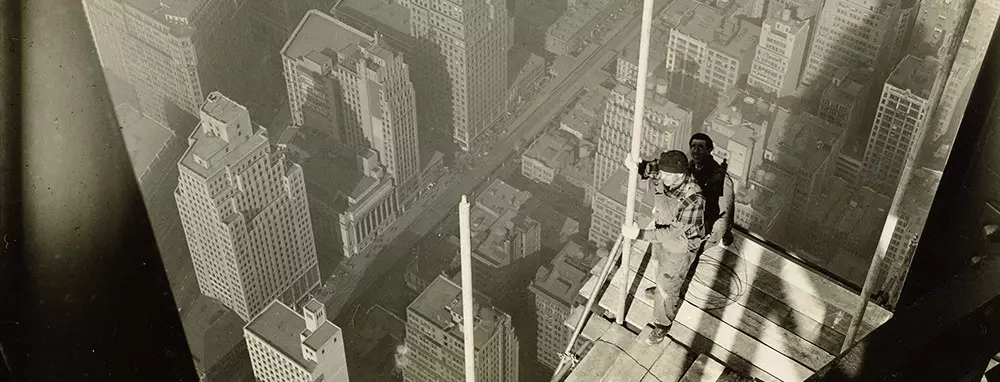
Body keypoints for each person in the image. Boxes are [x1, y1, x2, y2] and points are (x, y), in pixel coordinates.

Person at [622, 150, 706, 345]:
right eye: (662, 173)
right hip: (662, 231)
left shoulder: (694, 199)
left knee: (668, 286)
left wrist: (640, 234)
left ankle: (662, 324)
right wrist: (636, 166)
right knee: (658, 265)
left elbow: (672, 232)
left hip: (680, 245)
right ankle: (662, 291)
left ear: (681, 174)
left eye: (668, 175)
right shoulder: (666, 172)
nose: (663, 177)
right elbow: (651, 169)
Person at [688, 133, 735, 248]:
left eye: (700, 147)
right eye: (693, 146)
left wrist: (713, 238)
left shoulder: (720, 177)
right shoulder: (689, 168)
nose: (696, 150)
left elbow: (726, 213)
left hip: (705, 229)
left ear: (709, 150)